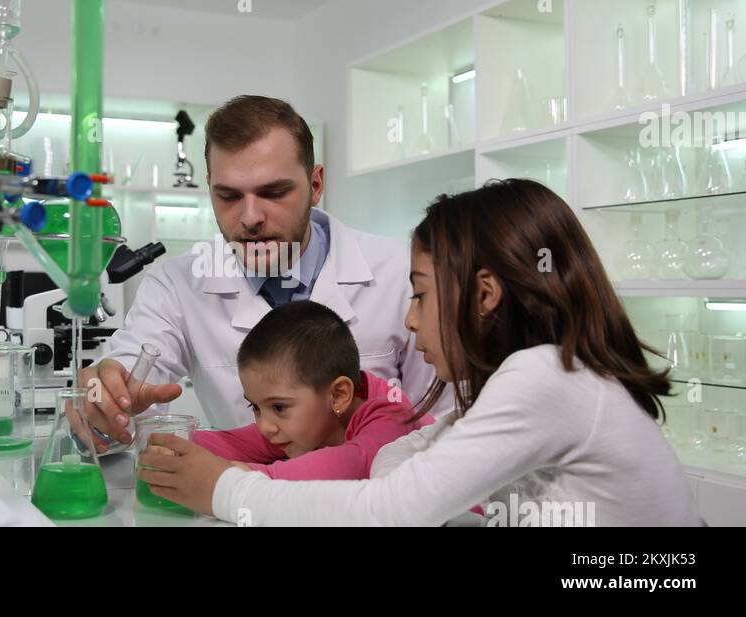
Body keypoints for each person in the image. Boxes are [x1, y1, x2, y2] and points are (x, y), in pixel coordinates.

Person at [137, 179, 703, 527]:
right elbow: (403, 467)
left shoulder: (545, 378)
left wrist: (224, 491)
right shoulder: (534, 379)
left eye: (422, 293)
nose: (409, 319)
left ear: (484, 294)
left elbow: (392, 511)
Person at [75, 95, 444, 450]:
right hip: (240, 506)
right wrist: (103, 409)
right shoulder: (175, 285)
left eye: (273, 192)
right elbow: (126, 388)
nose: (250, 217)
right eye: (229, 196)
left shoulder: (400, 273)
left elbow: (443, 423)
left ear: (315, 185)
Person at [186, 300, 433, 480]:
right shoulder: (301, 427)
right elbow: (235, 442)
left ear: (338, 395)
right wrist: (163, 443)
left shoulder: (391, 413)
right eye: (255, 407)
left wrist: (237, 479)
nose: (265, 426)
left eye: (279, 407)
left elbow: (352, 466)